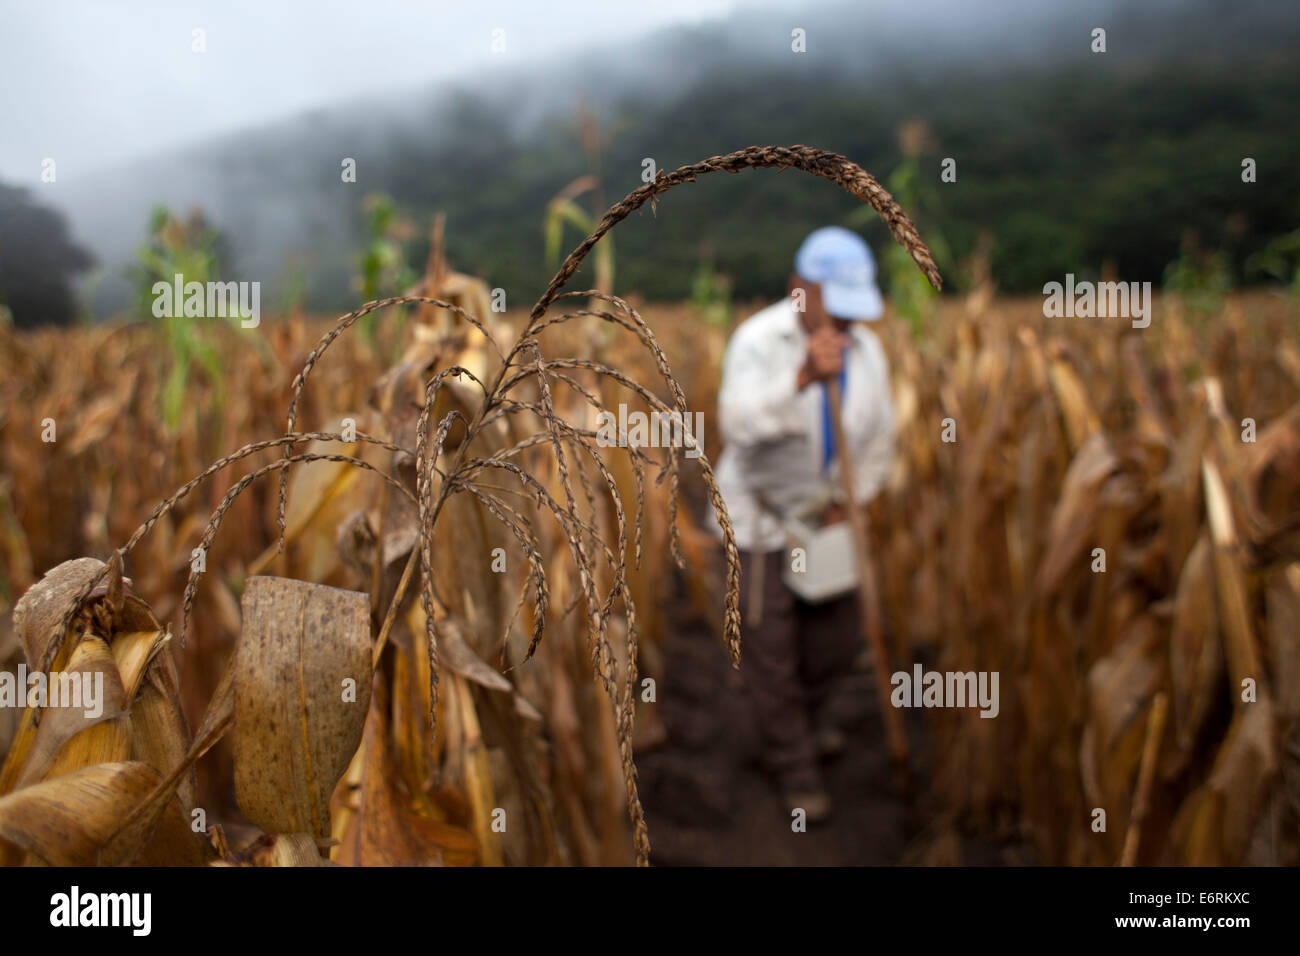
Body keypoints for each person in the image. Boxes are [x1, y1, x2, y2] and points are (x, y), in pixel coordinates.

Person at [713, 226, 896, 822]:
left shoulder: (868, 353)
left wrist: (852, 498)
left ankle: (805, 726)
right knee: (772, 653)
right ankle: (793, 767)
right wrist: (800, 381)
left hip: (824, 521)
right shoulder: (759, 341)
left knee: (837, 641)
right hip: (761, 522)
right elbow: (737, 425)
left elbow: (879, 440)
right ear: (799, 291)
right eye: (833, 308)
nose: (844, 326)